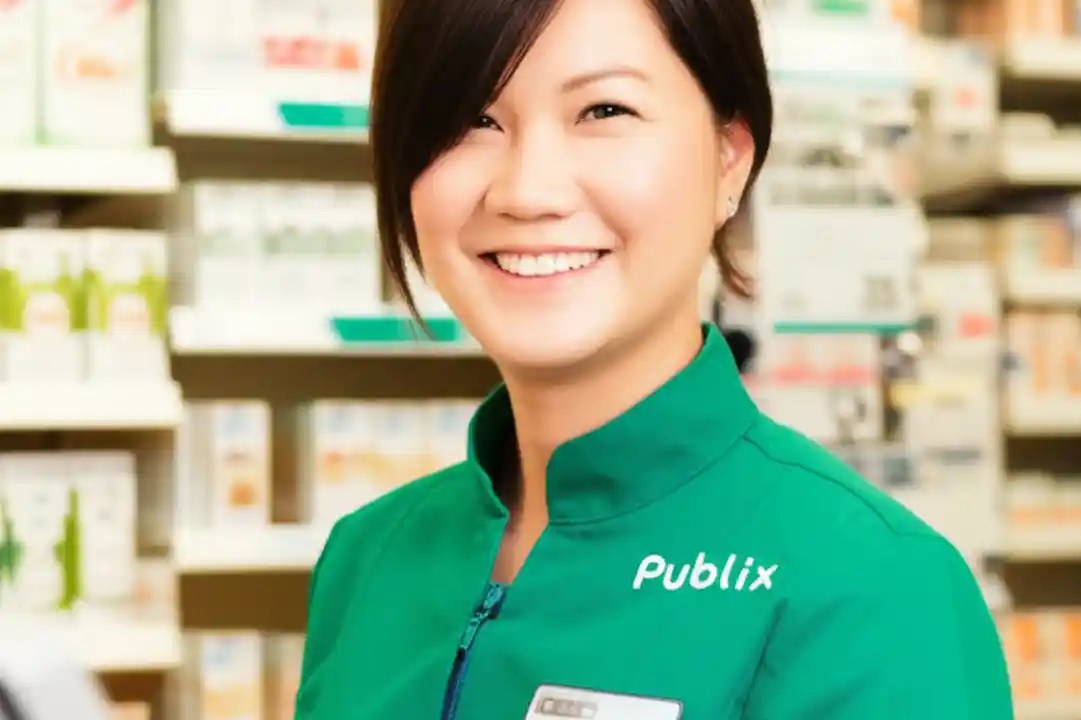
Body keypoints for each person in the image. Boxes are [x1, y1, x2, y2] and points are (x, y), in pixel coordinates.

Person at [294, 0, 1013, 718]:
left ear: (730, 154)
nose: (527, 192)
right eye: (472, 119)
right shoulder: (368, 558)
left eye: (604, 111)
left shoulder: (874, 586)